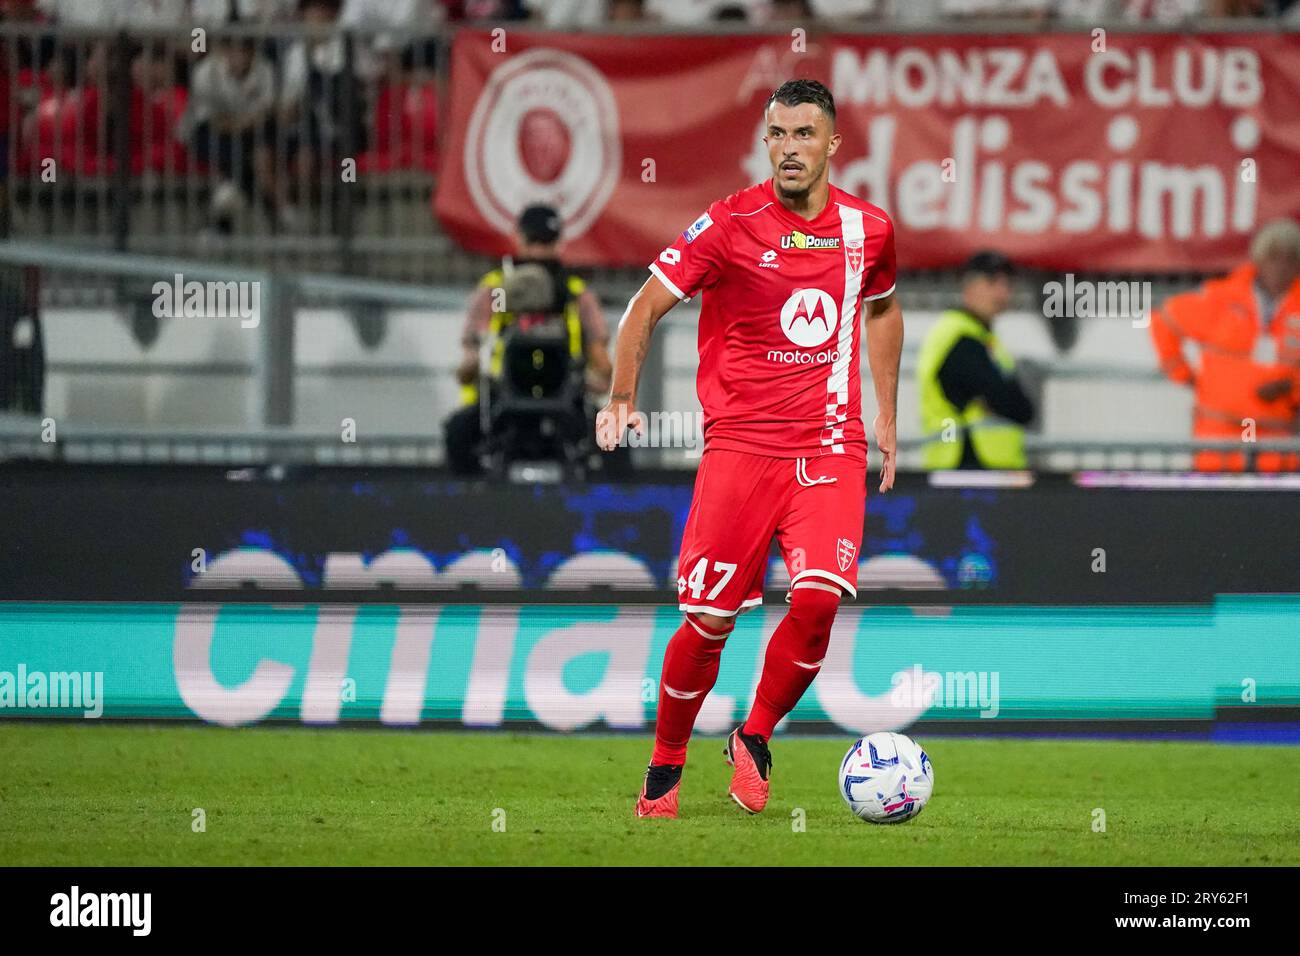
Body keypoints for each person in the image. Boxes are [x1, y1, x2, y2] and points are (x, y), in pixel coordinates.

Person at [596, 79, 903, 818]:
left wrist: (886, 418)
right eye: (777, 134)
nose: (789, 148)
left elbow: (884, 307)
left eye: (804, 134)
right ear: (764, 141)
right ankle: (666, 767)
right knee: (708, 624)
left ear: (833, 144)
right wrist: (620, 396)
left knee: (820, 598)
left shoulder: (870, 229)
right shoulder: (727, 225)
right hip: (739, 448)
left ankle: (755, 735)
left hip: (830, 445)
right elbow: (646, 305)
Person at [445, 203, 613, 476]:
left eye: (540, 241)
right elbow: (603, 367)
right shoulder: (578, 293)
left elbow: (468, 363)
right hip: (519, 402)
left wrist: (471, 369)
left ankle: (471, 505)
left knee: (460, 432)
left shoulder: (493, 289)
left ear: (517, 237)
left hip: (544, 402)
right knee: (613, 435)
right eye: (538, 240)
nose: (538, 250)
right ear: (561, 242)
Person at [1150, 218, 1300, 472]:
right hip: (1218, 440)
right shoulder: (1222, 299)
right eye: (1274, 256)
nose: (1282, 266)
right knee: (1214, 508)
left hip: (1278, 443)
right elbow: (1163, 320)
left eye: (1291, 258)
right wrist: (1183, 374)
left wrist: (1294, 387)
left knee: (1272, 510)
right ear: (1259, 260)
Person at [916, 250, 1035, 470]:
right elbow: (1012, 403)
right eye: (992, 282)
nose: (1002, 292)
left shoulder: (983, 339)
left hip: (981, 463)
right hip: (965, 461)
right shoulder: (960, 338)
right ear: (968, 287)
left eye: (1007, 284)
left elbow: (1018, 406)